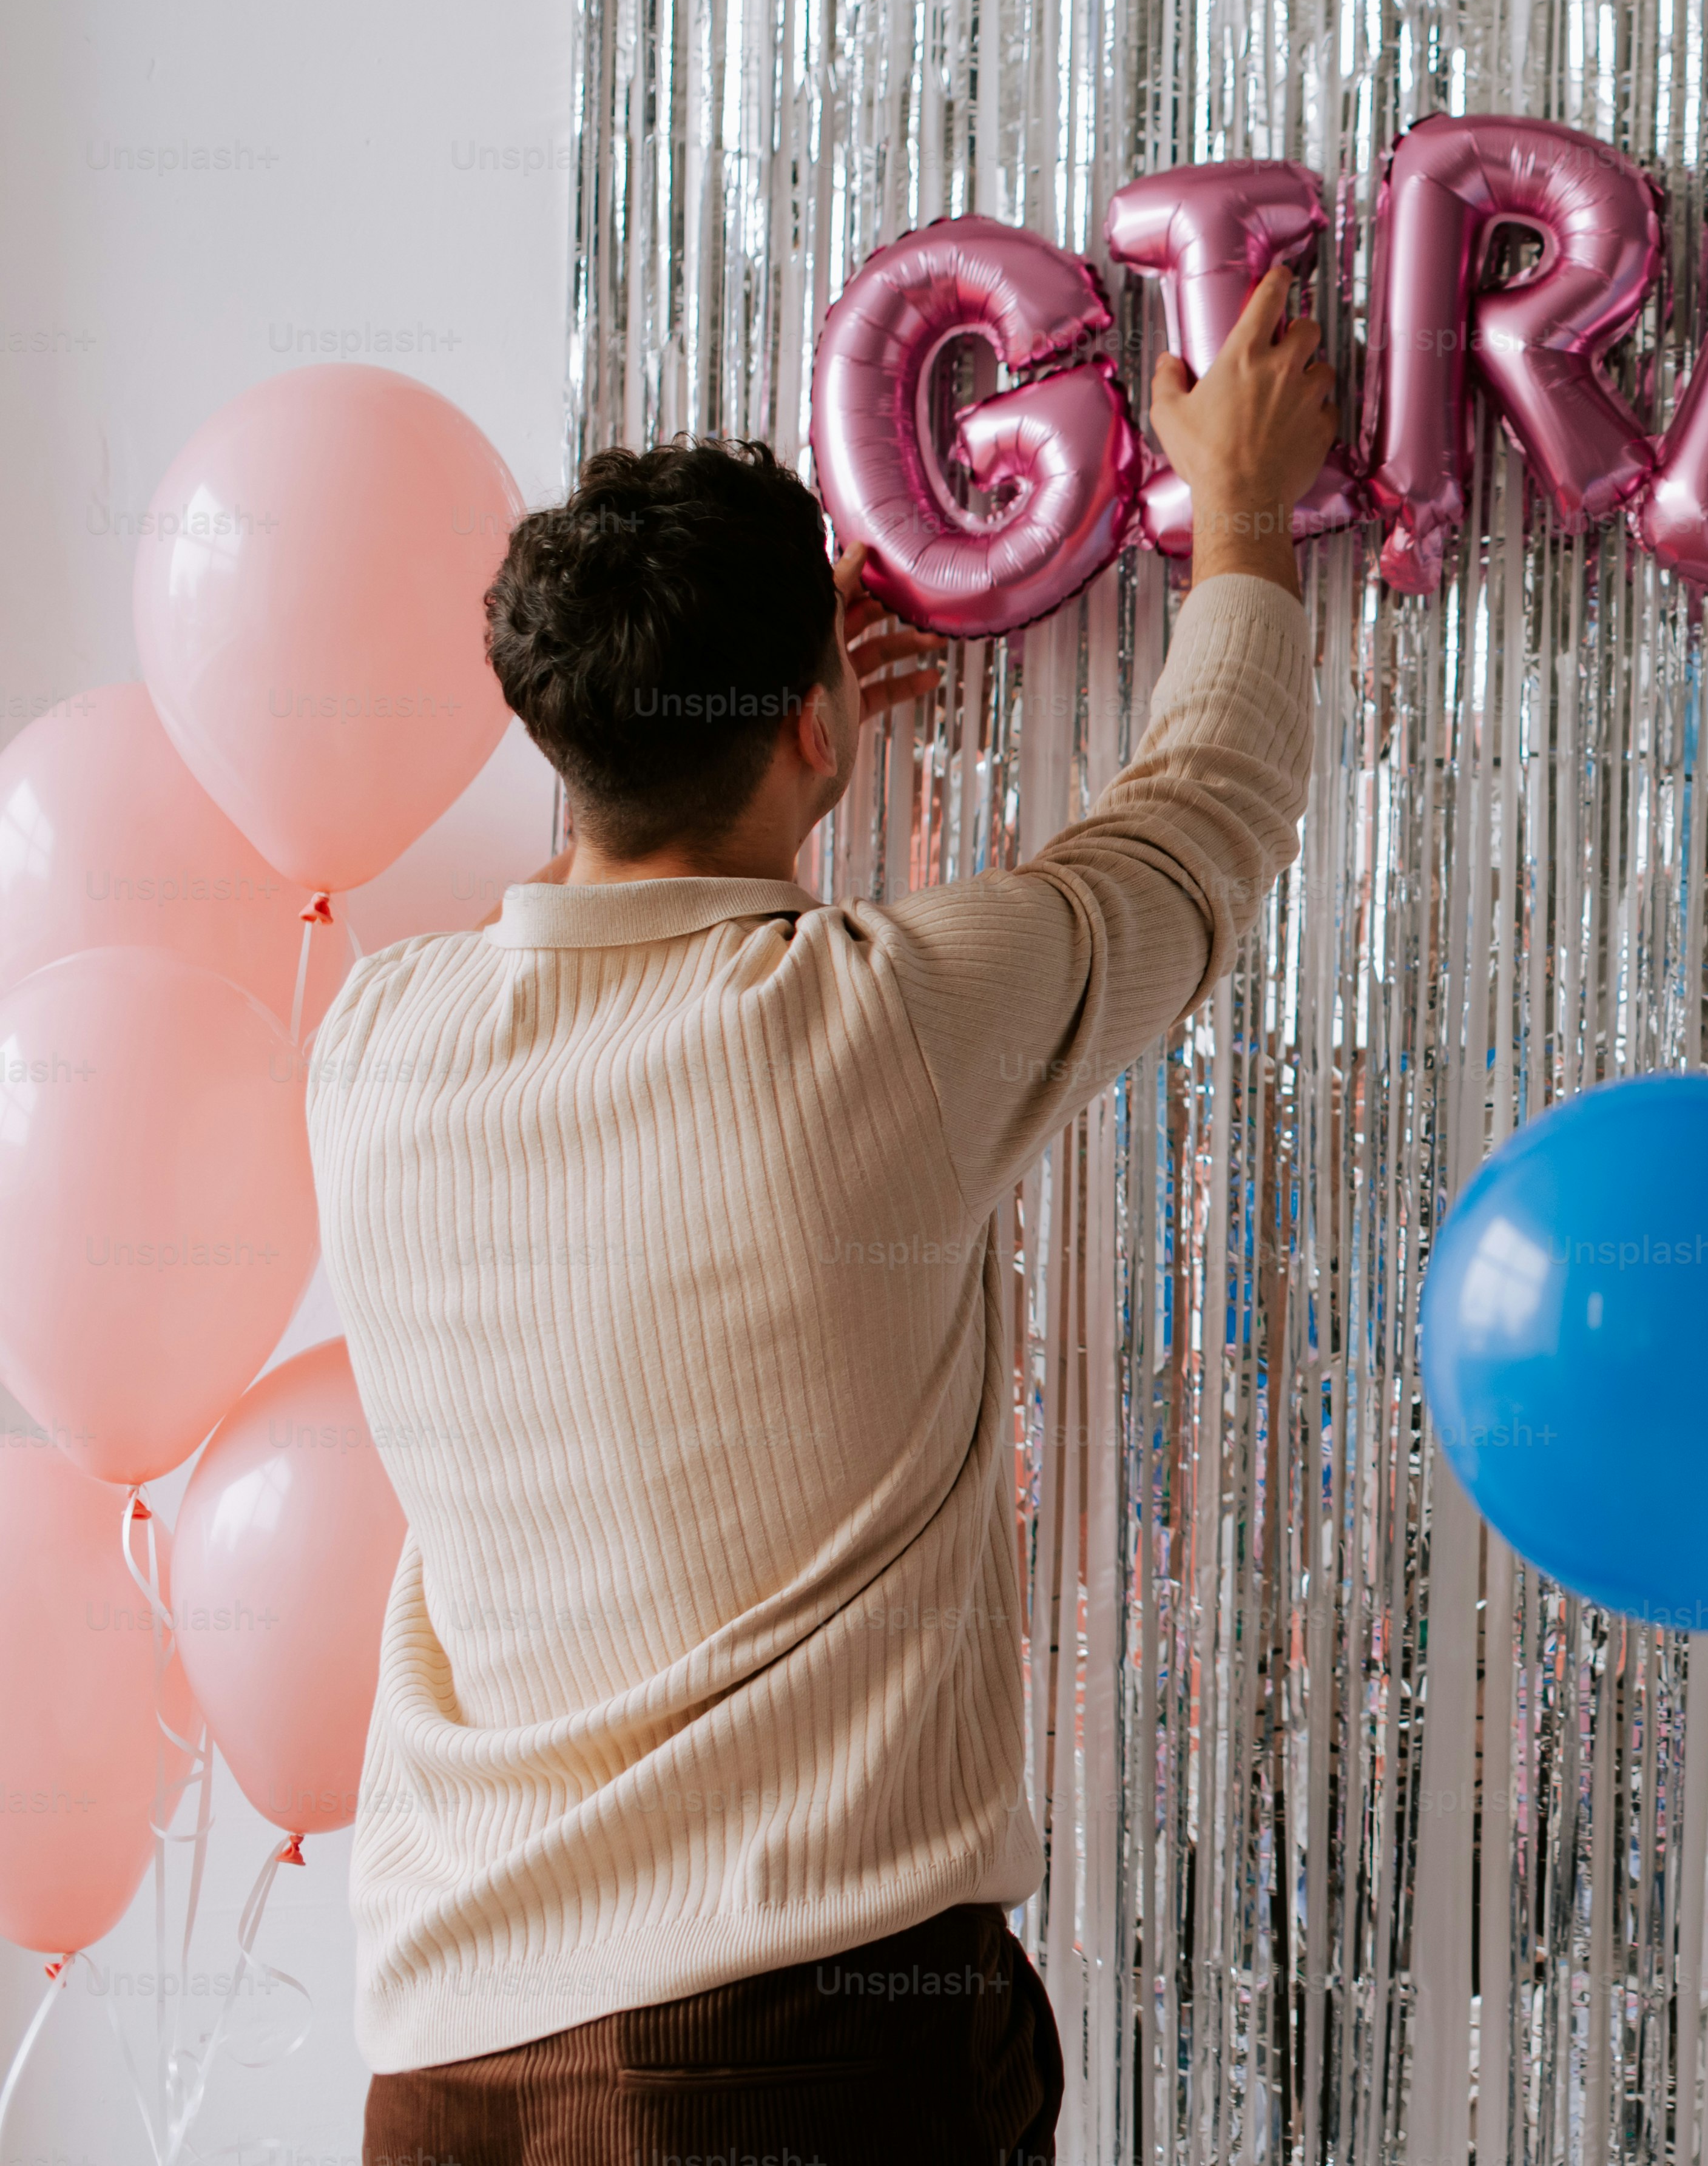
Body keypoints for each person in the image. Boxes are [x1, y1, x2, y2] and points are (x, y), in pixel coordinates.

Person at [318, 269, 1337, 2165]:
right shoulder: (885, 1021)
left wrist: (754, 741)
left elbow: (601, 926)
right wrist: (1248, 512)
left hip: (450, 2084)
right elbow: (1196, 829)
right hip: (793, 2056)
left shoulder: (370, 1043)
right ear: (811, 720)